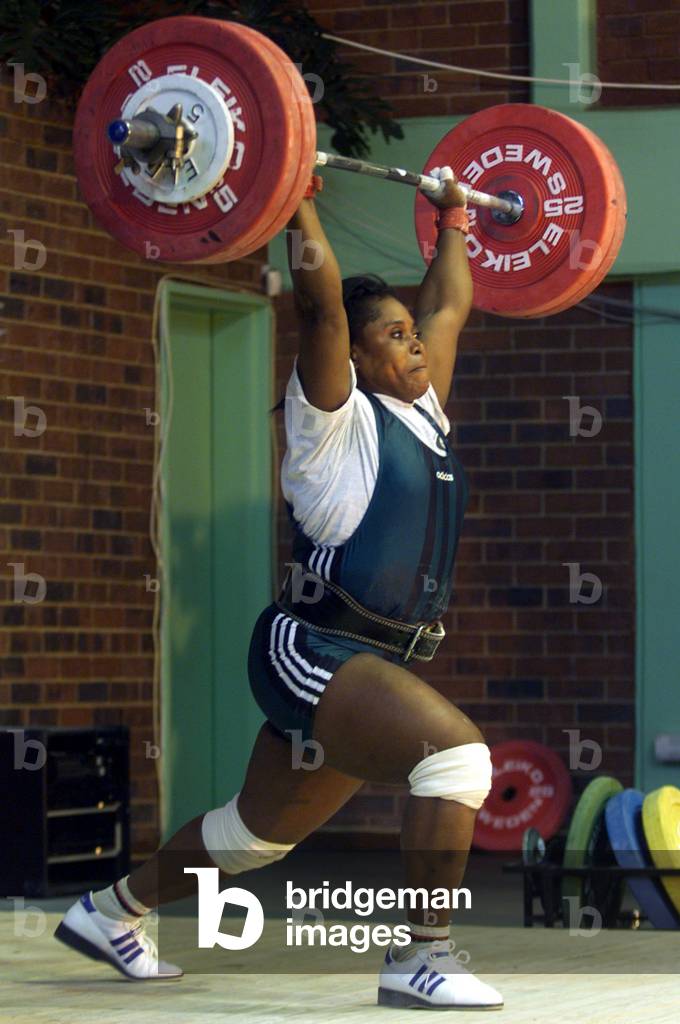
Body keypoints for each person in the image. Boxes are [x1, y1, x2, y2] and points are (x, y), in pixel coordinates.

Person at [54, 166, 503, 1010]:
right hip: (313, 646)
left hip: (374, 660)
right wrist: (292, 181)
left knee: (255, 838)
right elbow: (320, 301)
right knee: (455, 759)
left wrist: (452, 218)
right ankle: (420, 958)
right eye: (394, 338)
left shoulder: (423, 408)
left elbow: (449, 307)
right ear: (355, 356)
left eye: (412, 336)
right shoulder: (328, 419)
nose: (414, 345)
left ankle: (110, 911)